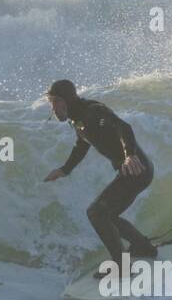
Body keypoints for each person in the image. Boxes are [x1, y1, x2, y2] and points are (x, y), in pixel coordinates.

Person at [42, 79, 158, 271]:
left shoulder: (93, 112)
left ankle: (122, 266)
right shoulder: (77, 118)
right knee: (107, 215)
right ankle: (143, 247)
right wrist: (65, 169)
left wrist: (129, 156)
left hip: (137, 170)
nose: (52, 108)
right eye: (51, 102)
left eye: (55, 102)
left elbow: (123, 127)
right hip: (130, 172)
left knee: (96, 212)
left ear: (67, 100)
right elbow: (82, 144)